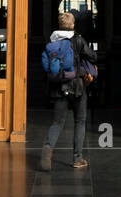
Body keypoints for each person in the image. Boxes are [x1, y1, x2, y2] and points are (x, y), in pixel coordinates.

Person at [40, 10, 95, 172]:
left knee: (57, 122)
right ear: (72, 25)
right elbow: (92, 56)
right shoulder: (78, 40)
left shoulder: (52, 41)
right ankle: (77, 159)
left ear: (59, 25)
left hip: (59, 87)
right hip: (77, 85)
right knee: (80, 121)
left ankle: (47, 150)